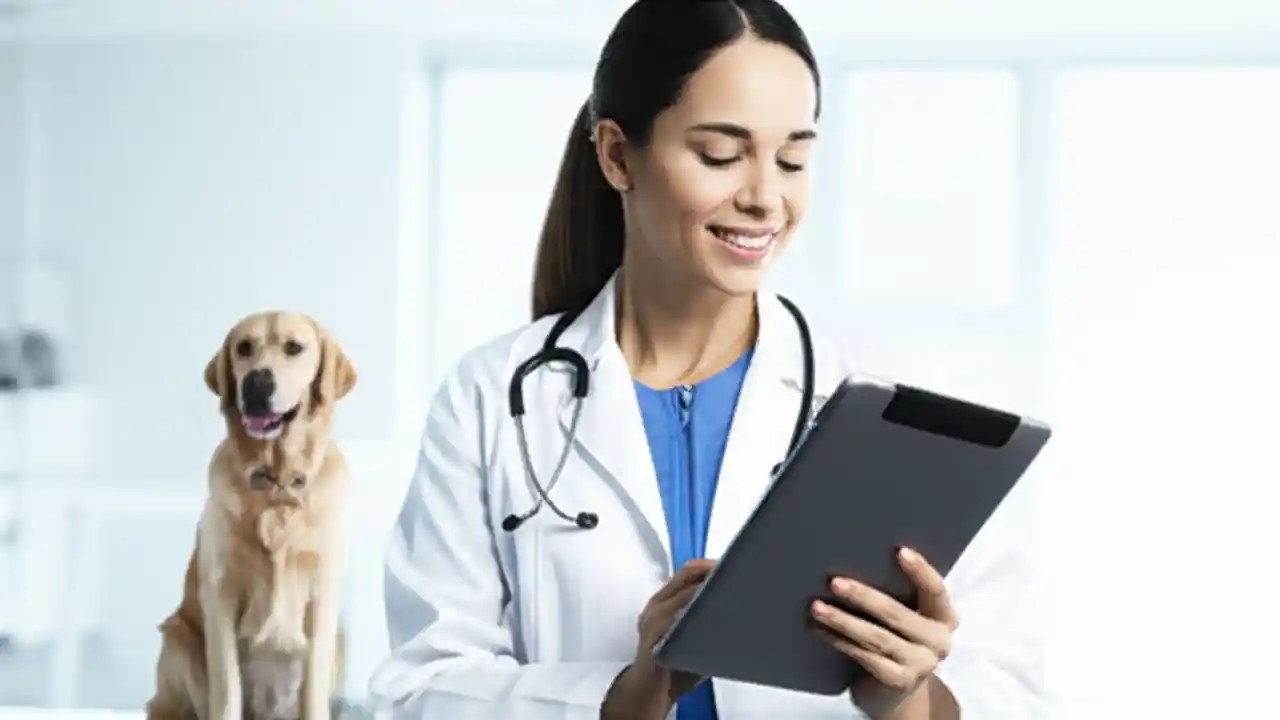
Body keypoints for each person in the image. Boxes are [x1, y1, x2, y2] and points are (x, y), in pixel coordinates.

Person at [368, 1, 1045, 718]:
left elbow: (1010, 690)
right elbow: (420, 693)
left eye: (792, 159)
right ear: (616, 155)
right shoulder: (491, 399)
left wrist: (906, 695)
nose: (764, 198)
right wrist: (618, 700)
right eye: (720, 155)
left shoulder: (895, 408)